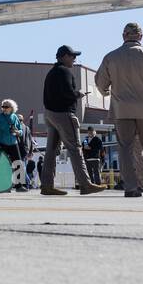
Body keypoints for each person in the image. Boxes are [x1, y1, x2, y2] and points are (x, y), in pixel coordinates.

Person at [95, 22, 143, 197]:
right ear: (140, 36)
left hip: (122, 110)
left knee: (124, 148)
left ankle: (131, 187)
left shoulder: (110, 57)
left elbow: (101, 83)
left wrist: (106, 91)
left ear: (124, 36)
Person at [40, 45, 104, 196]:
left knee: (51, 151)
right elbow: (68, 93)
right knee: (75, 149)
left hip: (50, 114)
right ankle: (85, 184)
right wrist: (78, 94)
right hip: (64, 114)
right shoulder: (64, 72)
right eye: (72, 56)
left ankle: (47, 185)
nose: (74, 59)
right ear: (63, 56)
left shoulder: (51, 73)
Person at [0, 99, 27, 193]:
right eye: (3, 107)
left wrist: (17, 132)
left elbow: (21, 131)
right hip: (2, 143)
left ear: (12, 108)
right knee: (4, 165)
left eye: (6, 107)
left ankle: (19, 186)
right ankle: (4, 186)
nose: (4, 108)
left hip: (14, 143)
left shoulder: (15, 117)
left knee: (18, 164)